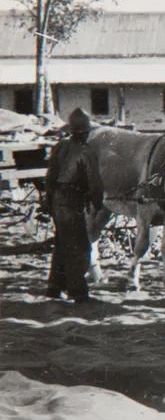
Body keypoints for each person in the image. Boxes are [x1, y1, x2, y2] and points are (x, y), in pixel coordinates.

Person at [41, 108, 104, 303]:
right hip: (73, 202)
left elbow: (50, 177)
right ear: (86, 132)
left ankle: (54, 287)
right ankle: (78, 292)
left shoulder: (59, 147)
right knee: (80, 247)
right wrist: (98, 203)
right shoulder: (87, 151)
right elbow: (94, 182)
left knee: (61, 243)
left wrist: (49, 202)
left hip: (56, 199)